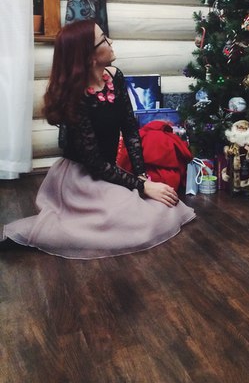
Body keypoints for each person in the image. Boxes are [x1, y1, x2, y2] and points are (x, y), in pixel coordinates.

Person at [0, 20, 195, 259]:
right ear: (89, 55)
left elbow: (130, 129)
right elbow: (94, 163)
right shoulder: (76, 97)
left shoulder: (115, 76)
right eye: (103, 39)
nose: (110, 41)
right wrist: (142, 186)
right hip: (81, 177)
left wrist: (143, 177)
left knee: (159, 206)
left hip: (109, 171)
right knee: (124, 220)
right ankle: (21, 236)